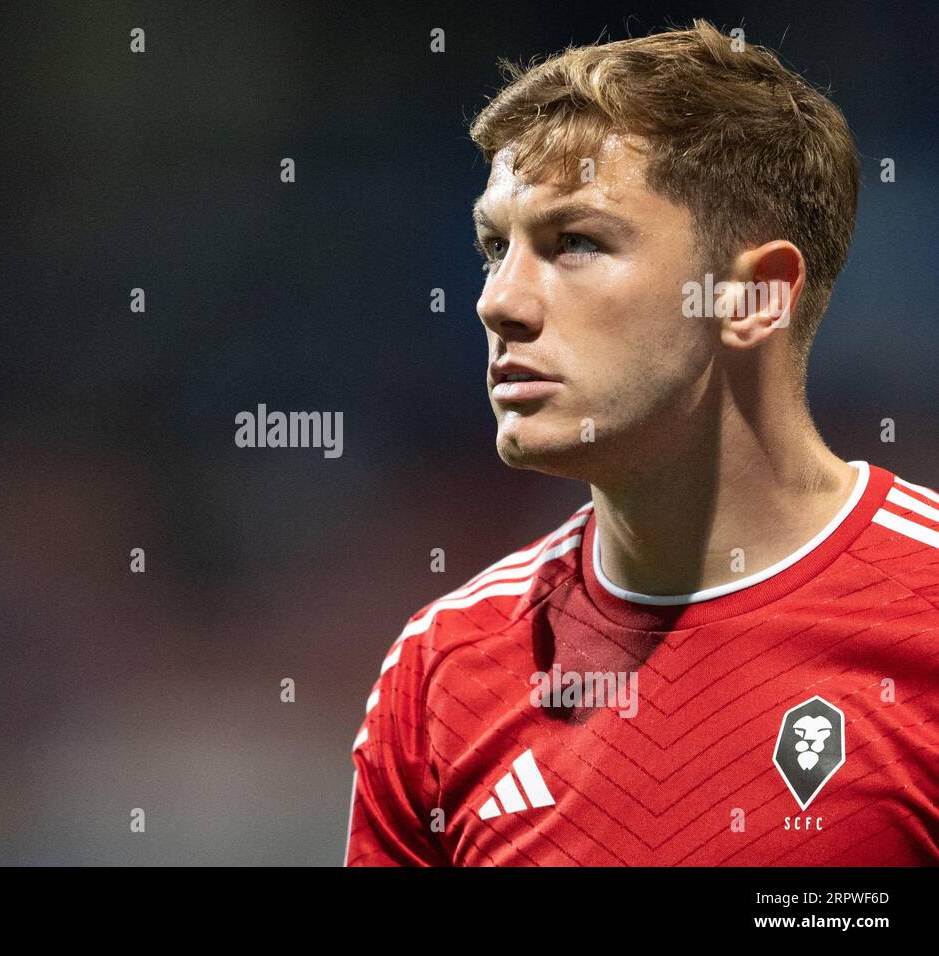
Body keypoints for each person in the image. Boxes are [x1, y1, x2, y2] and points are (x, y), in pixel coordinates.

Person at [345, 19, 939, 866]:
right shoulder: (443, 673)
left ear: (753, 298)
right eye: (493, 247)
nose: (497, 302)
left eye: (575, 242)